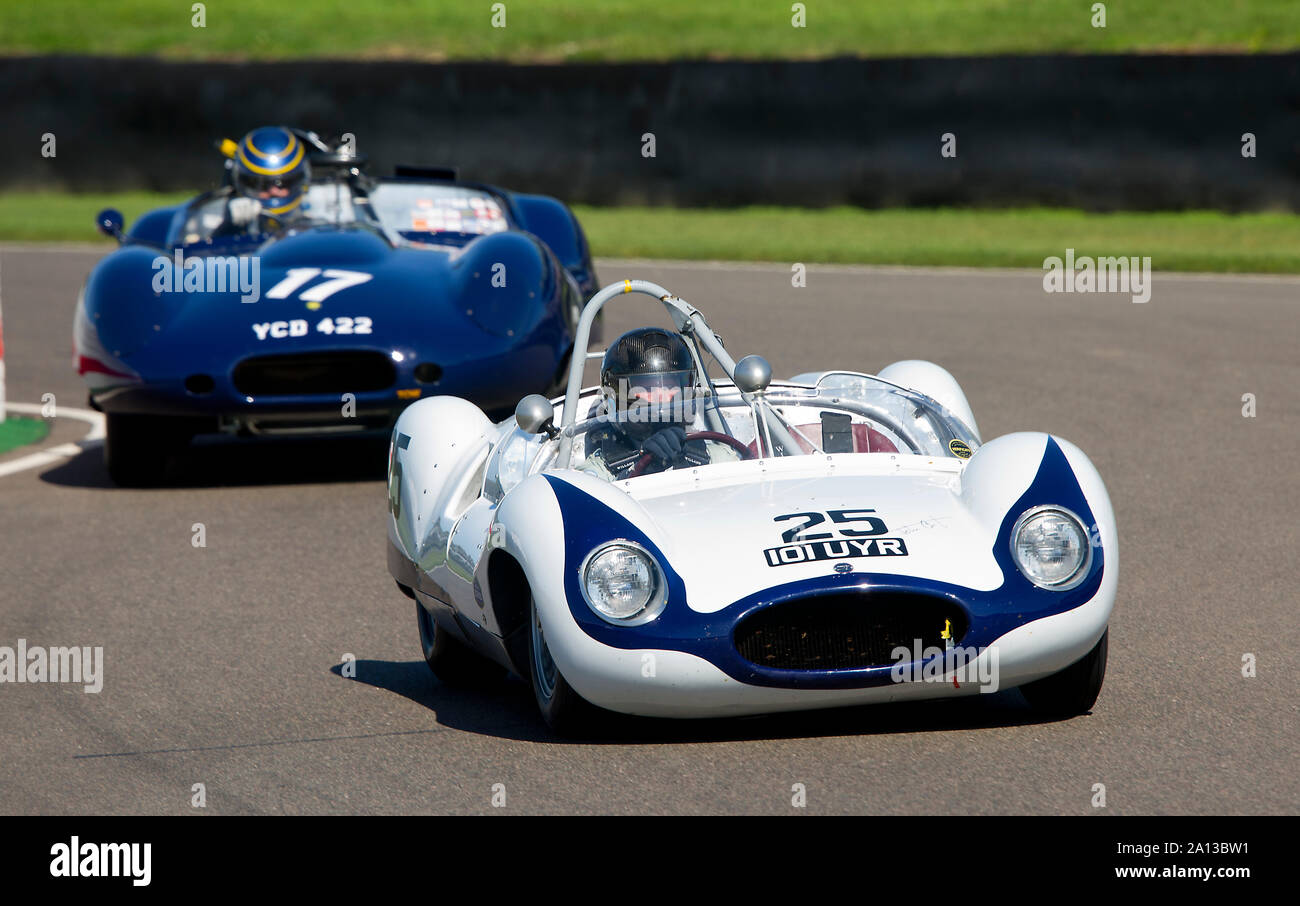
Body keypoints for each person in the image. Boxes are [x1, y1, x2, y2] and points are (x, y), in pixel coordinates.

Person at [581, 327, 741, 481]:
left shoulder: (718, 459)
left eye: (669, 387)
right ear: (618, 395)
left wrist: (683, 463)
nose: (660, 397)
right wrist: (642, 470)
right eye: (647, 388)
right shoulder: (598, 473)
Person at [223, 126, 312, 234]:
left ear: (298, 180)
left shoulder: (322, 211)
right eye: (262, 184)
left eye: (282, 183)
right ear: (244, 182)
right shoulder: (214, 217)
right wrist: (230, 227)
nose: (273, 191)